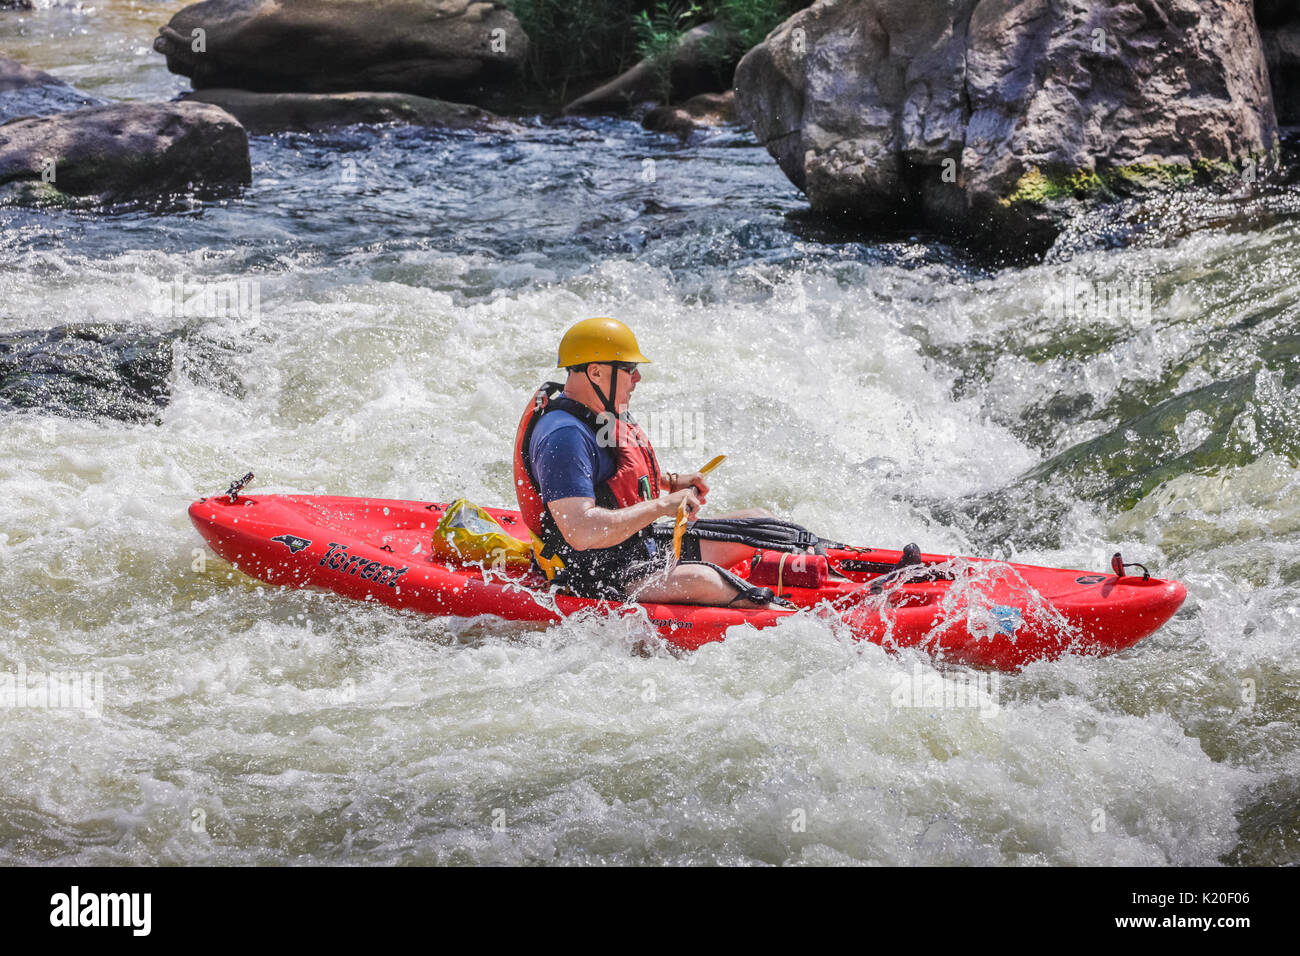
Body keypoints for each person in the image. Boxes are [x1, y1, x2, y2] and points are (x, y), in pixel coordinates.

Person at [513, 317, 781, 608]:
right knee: (704, 580)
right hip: (596, 574)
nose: (637, 377)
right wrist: (662, 506)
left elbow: (607, 472)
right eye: (629, 369)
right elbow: (581, 532)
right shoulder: (564, 437)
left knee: (760, 522)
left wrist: (670, 481)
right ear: (595, 372)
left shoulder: (596, 411)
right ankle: (775, 612)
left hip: (636, 546)